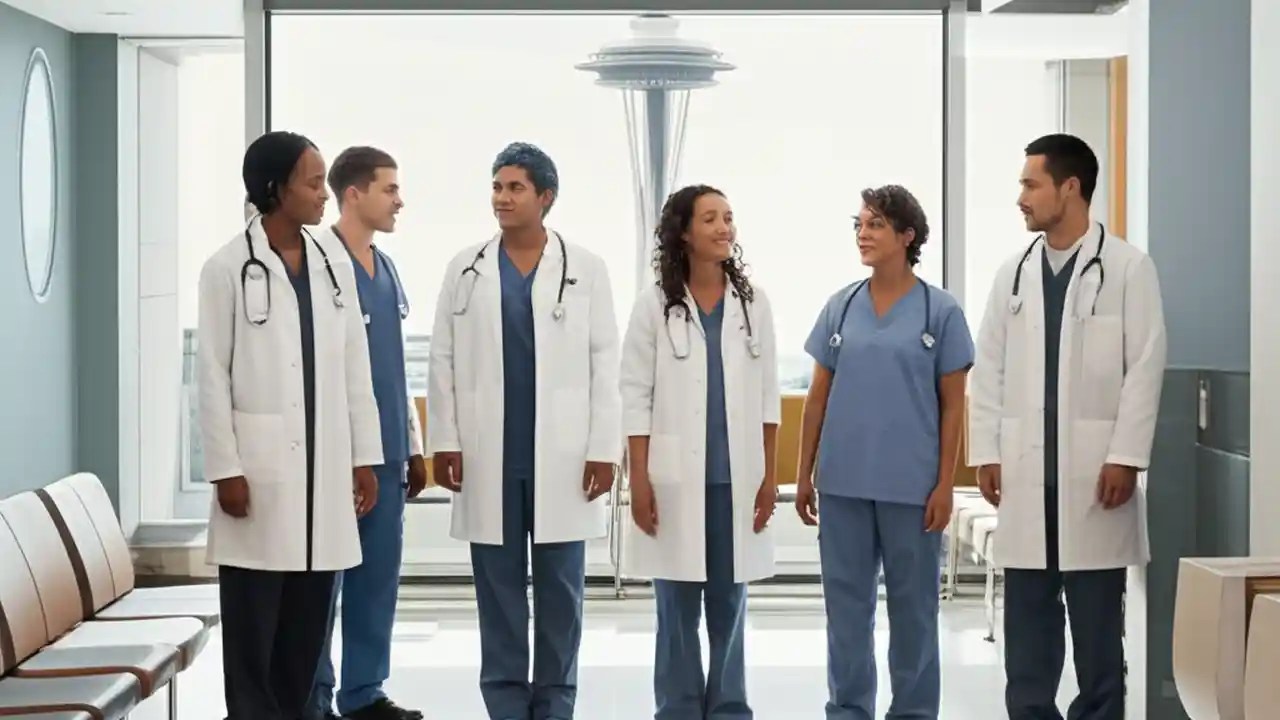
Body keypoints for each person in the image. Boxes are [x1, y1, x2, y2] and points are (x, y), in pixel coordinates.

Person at [968, 133, 1166, 720]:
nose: (1021, 198)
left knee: (1100, 639)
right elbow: (991, 367)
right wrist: (986, 452)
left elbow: (1145, 365)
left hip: (1094, 482)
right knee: (1027, 643)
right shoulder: (1014, 274)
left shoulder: (1129, 268)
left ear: (1070, 187)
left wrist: (1127, 456)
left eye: (1031, 184)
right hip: (1028, 483)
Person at [427, 141, 622, 720]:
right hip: (491, 454)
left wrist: (603, 448)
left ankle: (556, 701)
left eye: (514, 187)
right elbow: (444, 359)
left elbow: (604, 363)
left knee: (562, 592)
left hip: (563, 455)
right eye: (496, 186)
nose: (502, 198)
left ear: (546, 197)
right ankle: (507, 703)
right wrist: (445, 439)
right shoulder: (465, 268)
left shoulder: (585, 268)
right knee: (499, 591)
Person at [198, 130, 383, 720]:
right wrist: (225, 468)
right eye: (312, 181)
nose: (324, 194)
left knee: (304, 647)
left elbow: (356, 364)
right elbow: (211, 376)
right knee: (253, 651)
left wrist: (364, 456)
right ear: (276, 189)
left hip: (324, 481)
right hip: (257, 479)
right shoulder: (227, 267)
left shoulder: (333, 263)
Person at [794, 185, 973, 720]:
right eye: (859, 224)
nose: (863, 235)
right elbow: (816, 399)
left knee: (914, 612)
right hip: (844, 484)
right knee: (846, 613)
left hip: (912, 490)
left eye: (875, 225)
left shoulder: (939, 310)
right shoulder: (840, 306)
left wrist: (945, 485)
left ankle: (913, 713)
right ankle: (848, 710)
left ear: (907, 235)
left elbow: (953, 409)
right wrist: (805, 475)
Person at [620, 185, 782, 719]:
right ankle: (678, 707)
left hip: (735, 479)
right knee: (676, 605)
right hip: (673, 481)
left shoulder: (753, 304)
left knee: (729, 604)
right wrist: (639, 481)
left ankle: (730, 707)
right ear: (684, 231)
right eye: (710, 218)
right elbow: (635, 397)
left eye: (729, 217)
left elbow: (766, 399)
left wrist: (766, 478)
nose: (724, 228)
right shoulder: (654, 305)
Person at [308, 146, 427, 720]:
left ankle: (364, 693)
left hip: (389, 452)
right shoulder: (318, 262)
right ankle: (315, 695)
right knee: (324, 581)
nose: (399, 199)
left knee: (377, 580)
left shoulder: (386, 266)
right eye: (390, 189)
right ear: (353, 194)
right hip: (337, 454)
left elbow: (395, 365)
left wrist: (415, 446)